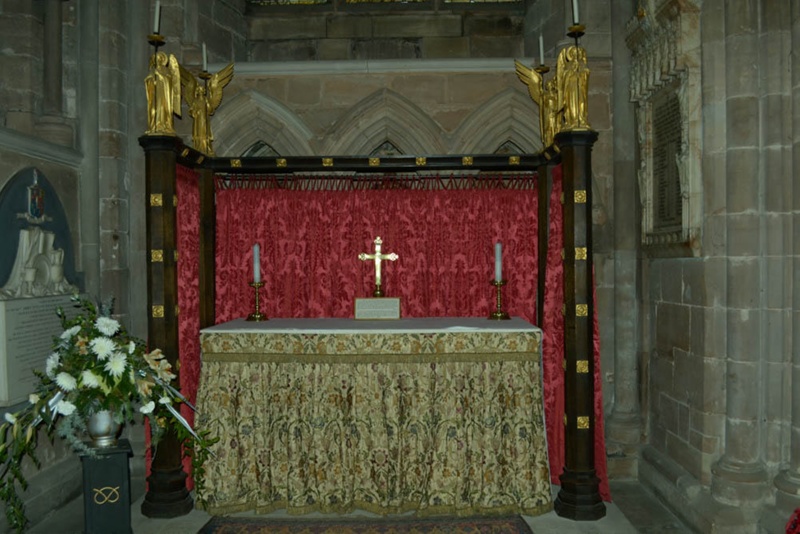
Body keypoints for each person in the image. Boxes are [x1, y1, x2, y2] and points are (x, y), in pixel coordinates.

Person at [144, 51, 181, 135]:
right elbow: (149, 80)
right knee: (154, 108)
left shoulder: (166, 70)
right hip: (155, 93)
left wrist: (160, 75)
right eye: (156, 59)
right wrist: (150, 80)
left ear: (162, 60)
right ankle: (154, 126)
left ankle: (164, 125)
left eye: (159, 59)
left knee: (162, 107)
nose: (158, 61)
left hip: (163, 94)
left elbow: (168, 81)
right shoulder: (153, 70)